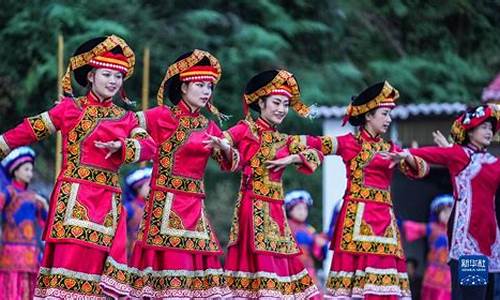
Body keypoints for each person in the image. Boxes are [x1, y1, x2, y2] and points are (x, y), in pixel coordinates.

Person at [0, 35, 156, 298]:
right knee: (67, 271)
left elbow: (149, 146)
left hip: (107, 205)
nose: (113, 82)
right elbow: (29, 130)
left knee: (98, 278)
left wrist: (124, 147)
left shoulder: (128, 118)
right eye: (107, 74)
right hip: (72, 200)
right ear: (91, 76)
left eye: (118, 77)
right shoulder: (69, 109)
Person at [128, 50, 237, 298]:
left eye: (209, 86)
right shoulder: (160, 116)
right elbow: (126, 122)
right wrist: (138, 139)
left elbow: (230, 165)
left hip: (195, 209)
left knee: (197, 280)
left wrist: (225, 147)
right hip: (163, 206)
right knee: (167, 277)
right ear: (184, 87)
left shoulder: (208, 126)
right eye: (200, 85)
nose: (207, 91)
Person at [306, 81, 430, 299]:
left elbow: (421, 171)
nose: (389, 119)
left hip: (384, 222)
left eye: (390, 114)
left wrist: (408, 156)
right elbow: (315, 143)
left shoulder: (391, 149)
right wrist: (284, 146)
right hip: (356, 220)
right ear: (368, 116)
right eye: (384, 113)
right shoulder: (349, 143)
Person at [223, 69, 324, 299]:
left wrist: (294, 158)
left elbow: (317, 152)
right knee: (259, 270)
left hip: (277, 212)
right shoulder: (245, 129)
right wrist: (225, 147)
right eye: (276, 102)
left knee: (283, 270)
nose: (281, 109)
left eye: (286, 104)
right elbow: (224, 141)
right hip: (253, 209)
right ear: (261, 102)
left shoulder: (285, 140)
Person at [405, 105, 500, 300]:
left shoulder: (493, 161)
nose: (489, 131)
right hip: (468, 242)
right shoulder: (459, 155)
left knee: (490, 295)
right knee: (472, 296)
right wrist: (402, 152)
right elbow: (427, 154)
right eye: (483, 127)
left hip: (491, 241)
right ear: (470, 131)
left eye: (491, 128)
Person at [0, 147, 48, 299]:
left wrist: (46, 205)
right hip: (10, 252)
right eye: (26, 169)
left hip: (31, 254)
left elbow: (46, 223)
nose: (30, 173)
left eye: (31, 170)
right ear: (15, 171)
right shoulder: (7, 193)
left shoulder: (34, 196)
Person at [402, 194, 454, 300]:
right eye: (444, 211)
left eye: (450, 211)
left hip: (449, 275)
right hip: (433, 273)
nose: (447, 215)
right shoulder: (432, 228)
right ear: (437, 214)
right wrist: (398, 223)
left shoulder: (456, 233)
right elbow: (414, 228)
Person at [284, 190, 328, 287]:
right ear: (290, 210)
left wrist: (320, 244)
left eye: (305, 209)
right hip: (289, 270)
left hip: (308, 271)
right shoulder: (285, 227)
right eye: (299, 209)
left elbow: (319, 254)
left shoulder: (309, 229)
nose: (302, 212)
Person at [123, 167, 152, 260]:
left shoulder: (154, 207)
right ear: (138, 188)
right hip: (130, 254)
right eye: (149, 185)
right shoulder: (128, 208)